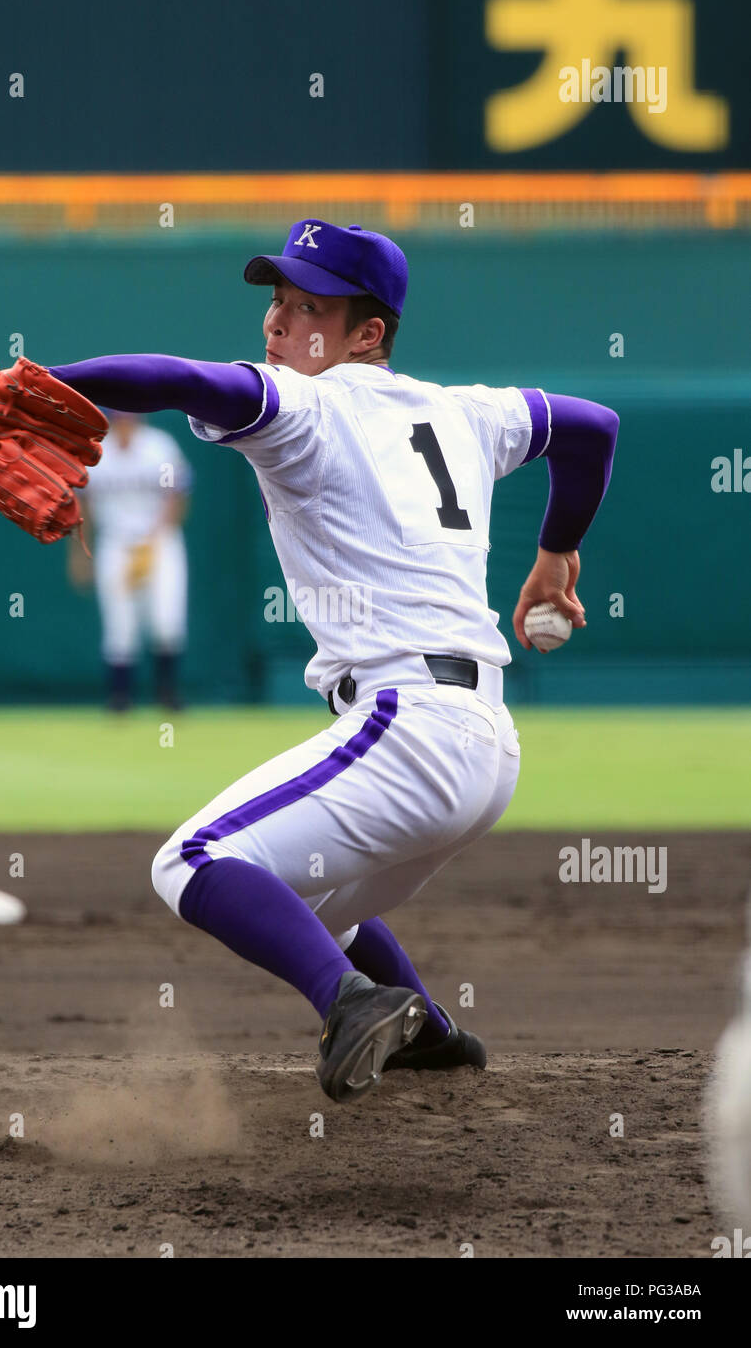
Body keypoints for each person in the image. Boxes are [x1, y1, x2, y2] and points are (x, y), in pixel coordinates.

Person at [45, 218, 619, 1103]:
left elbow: (176, 379)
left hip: (408, 728)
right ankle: (427, 1031)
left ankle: (351, 1005)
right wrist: (557, 551)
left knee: (191, 861)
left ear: (367, 334)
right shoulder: (469, 412)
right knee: (313, 906)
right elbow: (592, 428)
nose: (277, 323)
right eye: (275, 302)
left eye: (307, 306)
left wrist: (49, 385)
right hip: (485, 747)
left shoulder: (306, 406)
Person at [69, 410, 192, 711]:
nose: (126, 423)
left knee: (167, 619)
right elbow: (82, 503)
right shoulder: (95, 453)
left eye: (130, 417)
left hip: (159, 542)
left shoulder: (158, 446)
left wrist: (155, 540)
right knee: (119, 624)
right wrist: (81, 552)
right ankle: (119, 699)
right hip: (116, 542)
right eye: (120, 418)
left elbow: (179, 493)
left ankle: (168, 696)